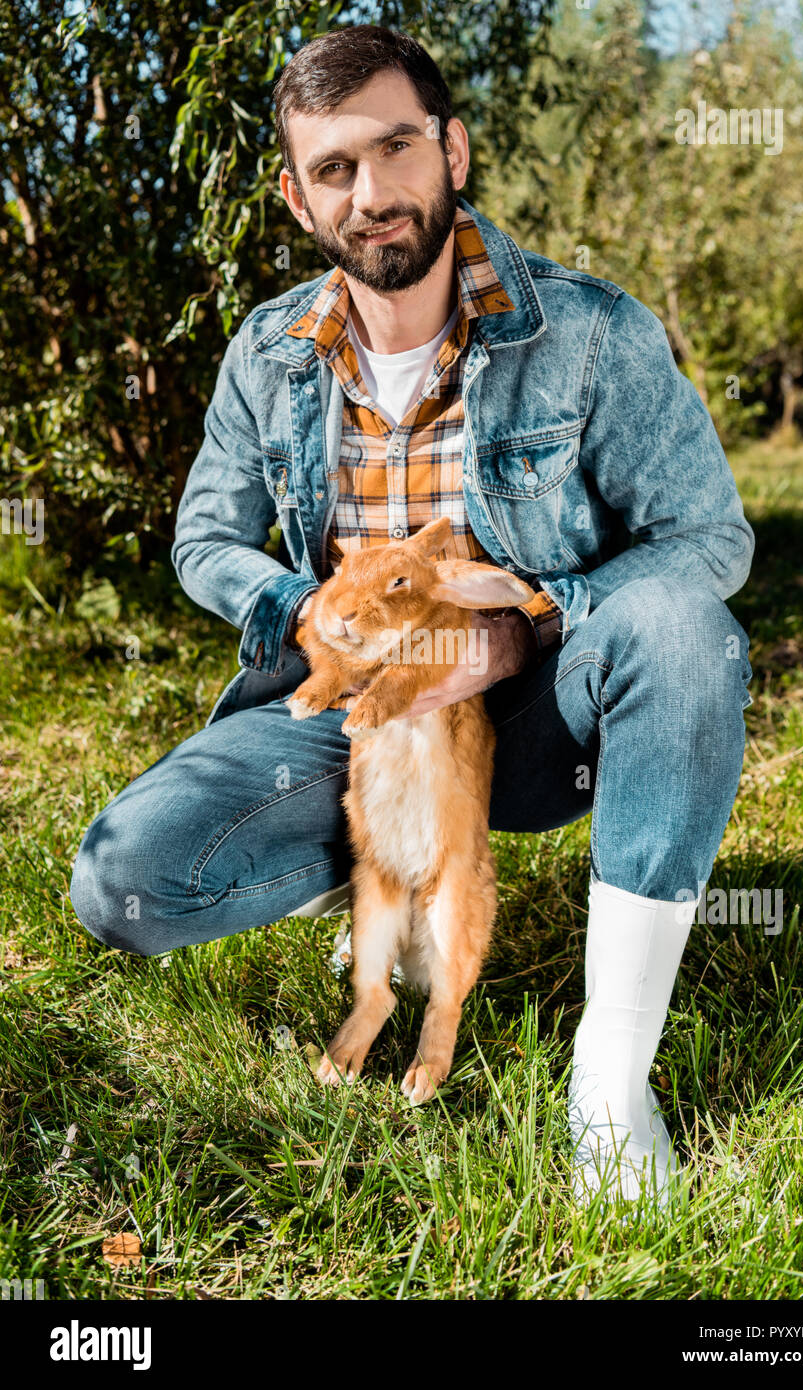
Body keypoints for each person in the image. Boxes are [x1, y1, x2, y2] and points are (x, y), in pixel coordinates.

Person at [70, 24, 755, 1207]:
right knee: (123, 877)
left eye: (397, 149)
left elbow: (712, 542)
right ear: (297, 197)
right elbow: (203, 539)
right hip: (355, 719)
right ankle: (378, 870)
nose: (373, 192)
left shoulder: (593, 333)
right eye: (335, 168)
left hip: (544, 723)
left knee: (686, 631)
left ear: (454, 149)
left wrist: (520, 625)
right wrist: (305, 607)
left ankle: (611, 1079)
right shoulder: (270, 353)